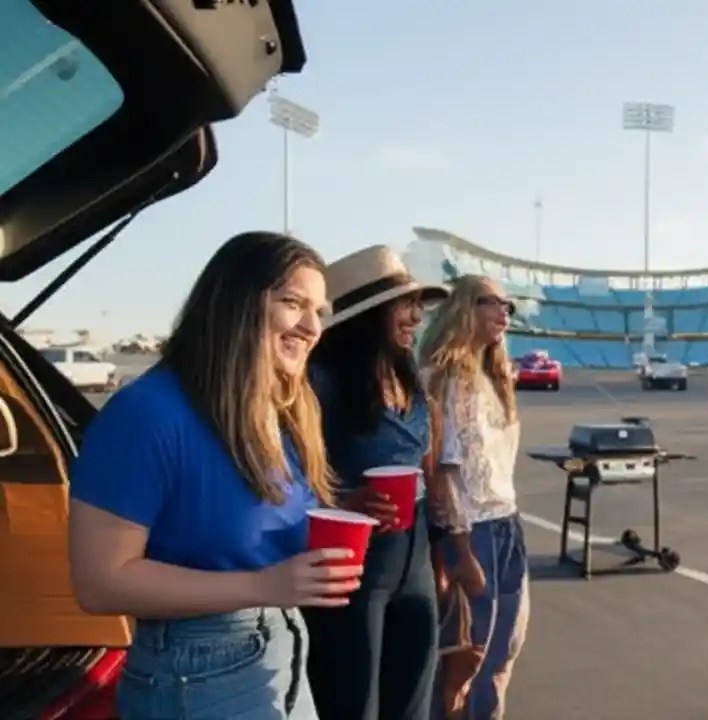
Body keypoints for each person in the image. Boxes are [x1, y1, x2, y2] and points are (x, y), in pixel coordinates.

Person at [67, 231, 362, 719]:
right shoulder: (146, 415)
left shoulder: (280, 410)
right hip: (195, 671)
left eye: (320, 311)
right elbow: (100, 582)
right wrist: (264, 586)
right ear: (234, 305)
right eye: (293, 303)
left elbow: (241, 531)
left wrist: (346, 517)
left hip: (281, 651)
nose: (312, 326)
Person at [302, 245, 450, 720]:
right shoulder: (319, 383)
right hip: (352, 564)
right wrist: (344, 498)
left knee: (412, 703)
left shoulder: (414, 382)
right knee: (352, 702)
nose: (416, 316)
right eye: (404, 306)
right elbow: (284, 479)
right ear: (367, 317)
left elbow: (428, 469)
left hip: (417, 555)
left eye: (417, 305)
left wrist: (442, 547)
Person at [419, 274, 529, 720]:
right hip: (469, 531)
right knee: (464, 658)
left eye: (508, 305)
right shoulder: (444, 375)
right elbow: (442, 471)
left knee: (504, 651)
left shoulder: (496, 375)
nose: (504, 312)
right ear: (465, 308)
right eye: (491, 302)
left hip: (507, 522)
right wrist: (460, 550)